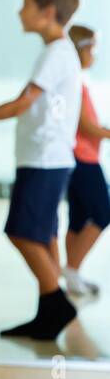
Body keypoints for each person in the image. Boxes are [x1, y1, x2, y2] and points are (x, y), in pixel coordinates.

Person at [0, 0, 84, 339]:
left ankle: (56, 302)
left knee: (22, 232)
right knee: (44, 235)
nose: (20, 13)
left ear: (47, 11)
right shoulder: (60, 51)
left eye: (25, 6)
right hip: (49, 159)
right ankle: (51, 307)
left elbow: (23, 103)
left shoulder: (55, 53)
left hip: (44, 159)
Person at [62, 24, 110, 300]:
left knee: (79, 219)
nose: (95, 55)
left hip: (83, 157)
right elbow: (87, 127)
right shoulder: (74, 83)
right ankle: (71, 271)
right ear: (81, 49)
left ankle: (73, 275)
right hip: (82, 159)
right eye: (93, 48)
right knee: (102, 213)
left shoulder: (79, 81)